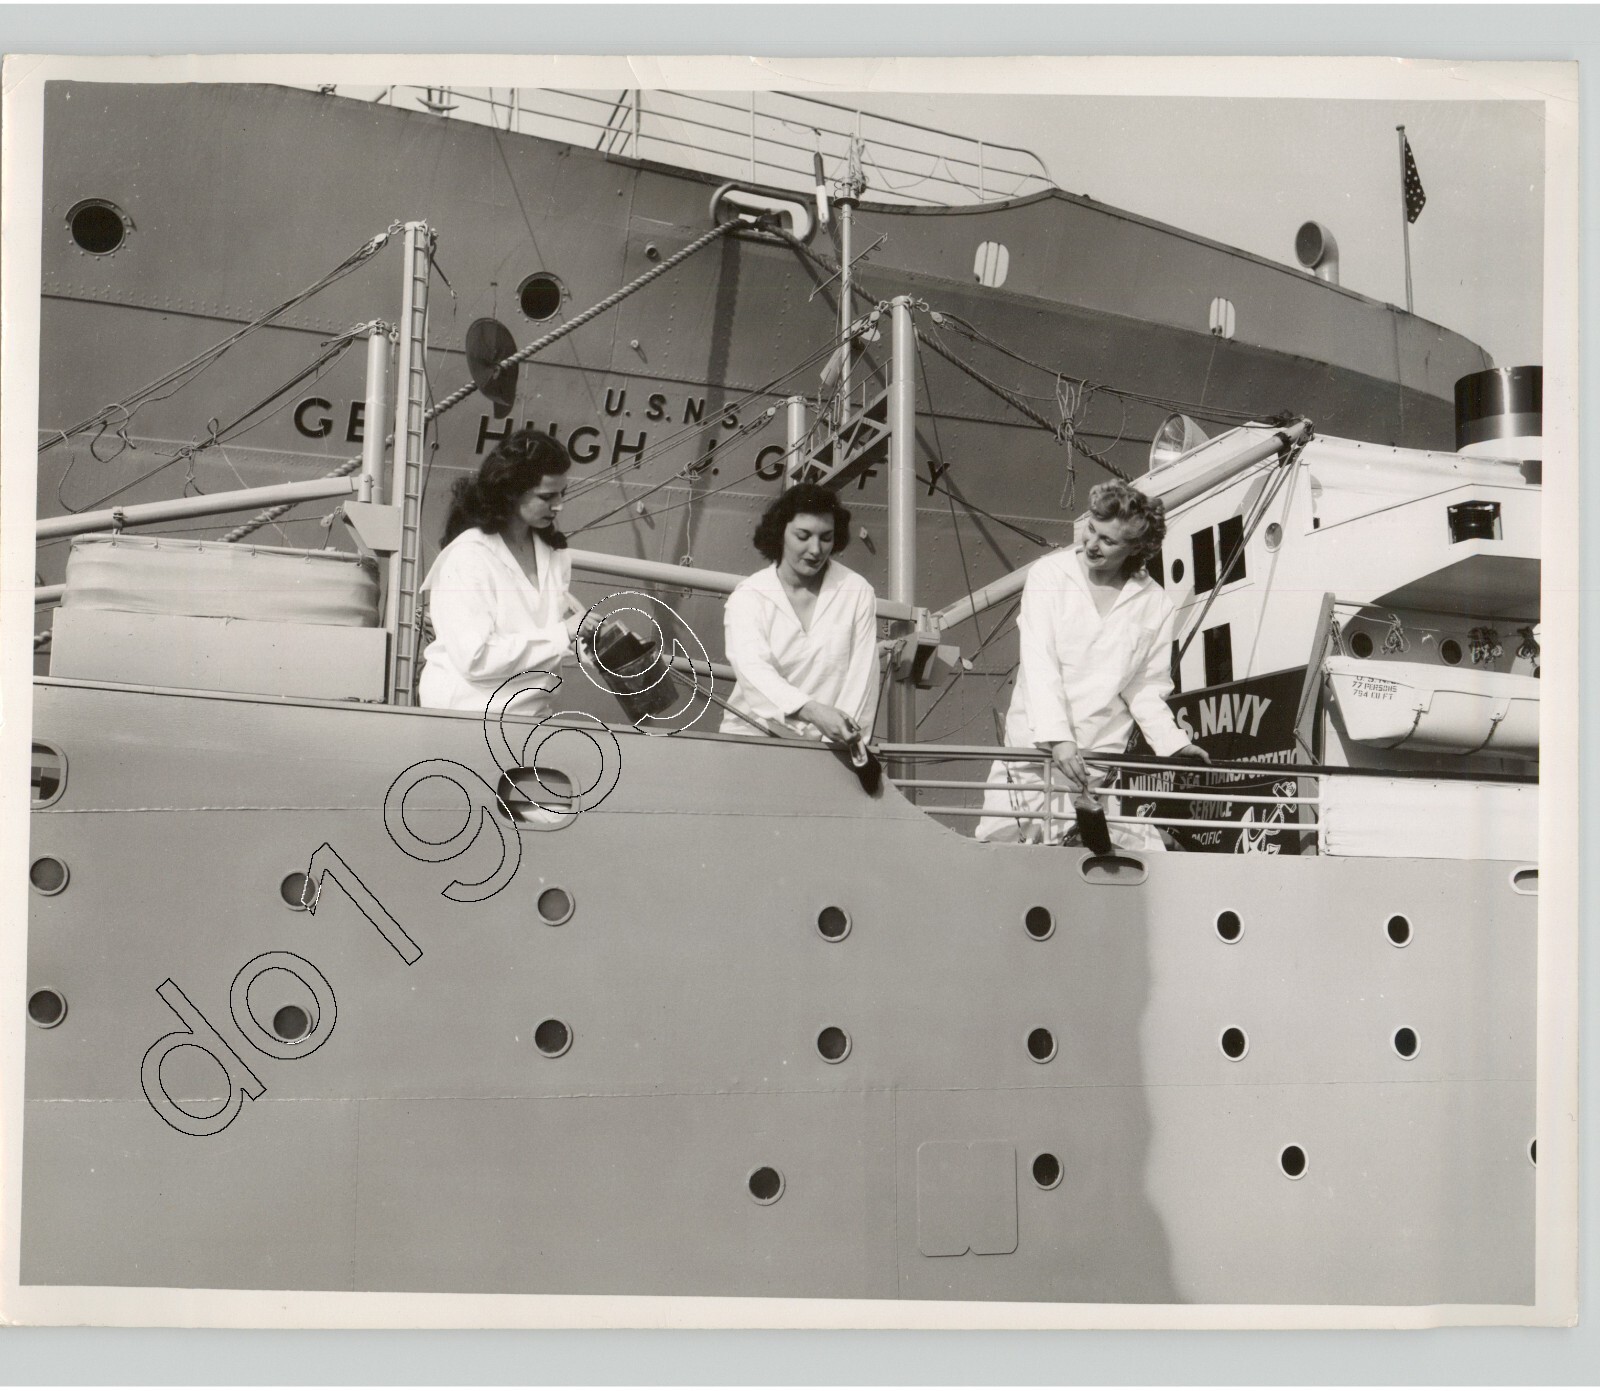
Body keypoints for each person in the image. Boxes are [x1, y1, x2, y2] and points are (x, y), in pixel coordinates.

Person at [975, 480, 1208, 850]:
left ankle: (1158, 844)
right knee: (1005, 845)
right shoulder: (1050, 574)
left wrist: (1174, 744)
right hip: (1033, 751)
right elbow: (1039, 661)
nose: (1091, 544)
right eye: (1092, 530)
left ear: (1136, 548)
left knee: (1087, 855)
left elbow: (1145, 688)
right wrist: (1059, 739)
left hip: (1095, 758)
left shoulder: (1155, 603)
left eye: (1108, 540)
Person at [418, 427, 591, 714]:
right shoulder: (468, 557)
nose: (559, 505)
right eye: (547, 496)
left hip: (529, 714)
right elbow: (475, 660)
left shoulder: (553, 555)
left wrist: (594, 644)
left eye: (562, 494)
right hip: (466, 716)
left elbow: (553, 632)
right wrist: (564, 634)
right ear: (511, 493)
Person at [721, 483, 880, 743]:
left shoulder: (857, 591)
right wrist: (813, 712)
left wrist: (846, 745)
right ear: (780, 533)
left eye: (826, 538)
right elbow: (754, 672)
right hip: (750, 736)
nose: (816, 549)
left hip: (827, 747)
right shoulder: (749, 596)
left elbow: (861, 681)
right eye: (803, 536)